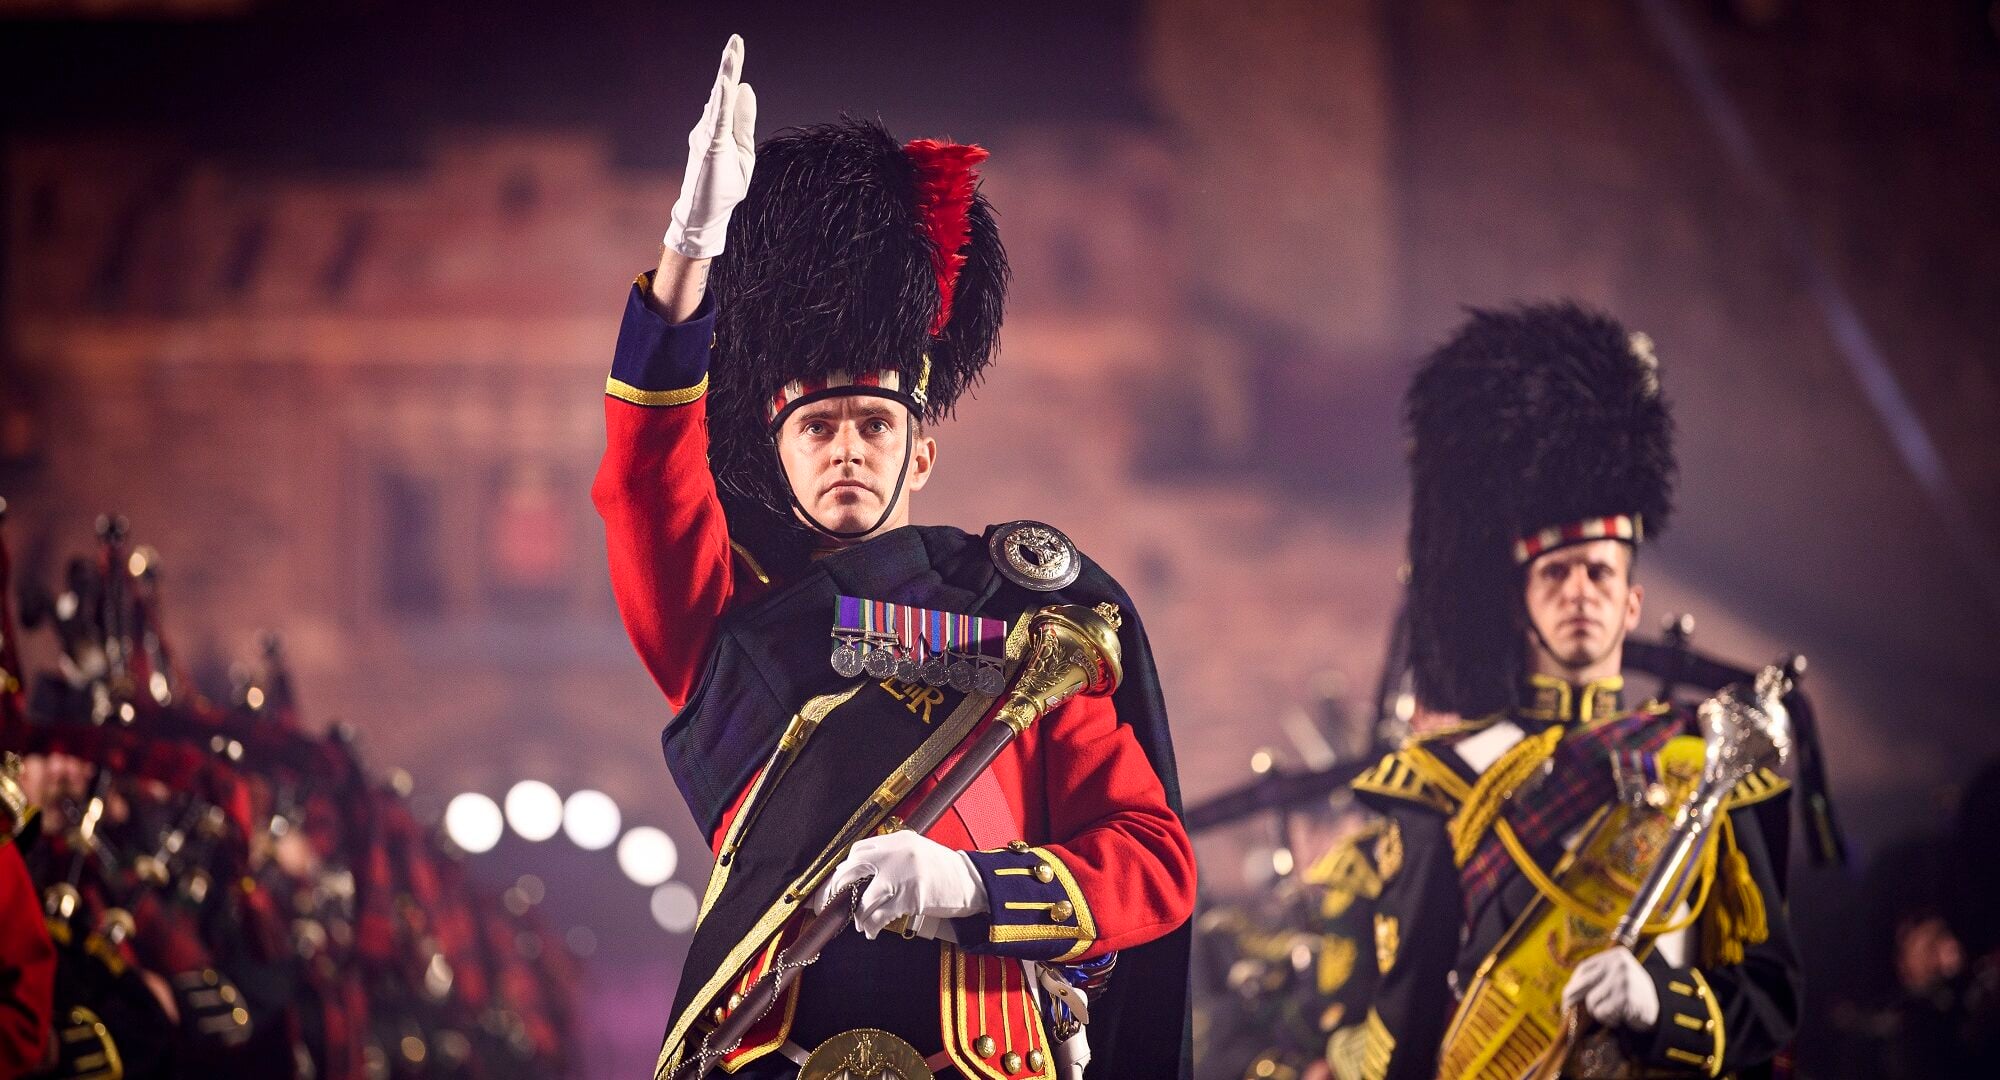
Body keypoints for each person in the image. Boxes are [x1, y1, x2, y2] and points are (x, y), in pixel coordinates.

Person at [591, 36, 1196, 1080]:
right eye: (816, 429)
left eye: (873, 424)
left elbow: (1152, 859)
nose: (846, 450)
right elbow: (645, 483)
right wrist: (688, 257)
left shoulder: (1023, 631)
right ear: (778, 456)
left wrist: (974, 888)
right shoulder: (729, 634)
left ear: (921, 452)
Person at [1347, 304, 1801, 1078]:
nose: (1580, 591)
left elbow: (1771, 1000)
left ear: (1633, 603)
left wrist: (1660, 1005)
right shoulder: (1446, 780)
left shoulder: (1711, 764)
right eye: (1555, 573)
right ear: (1519, 605)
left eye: (1600, 572)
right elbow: (1411, 1018)